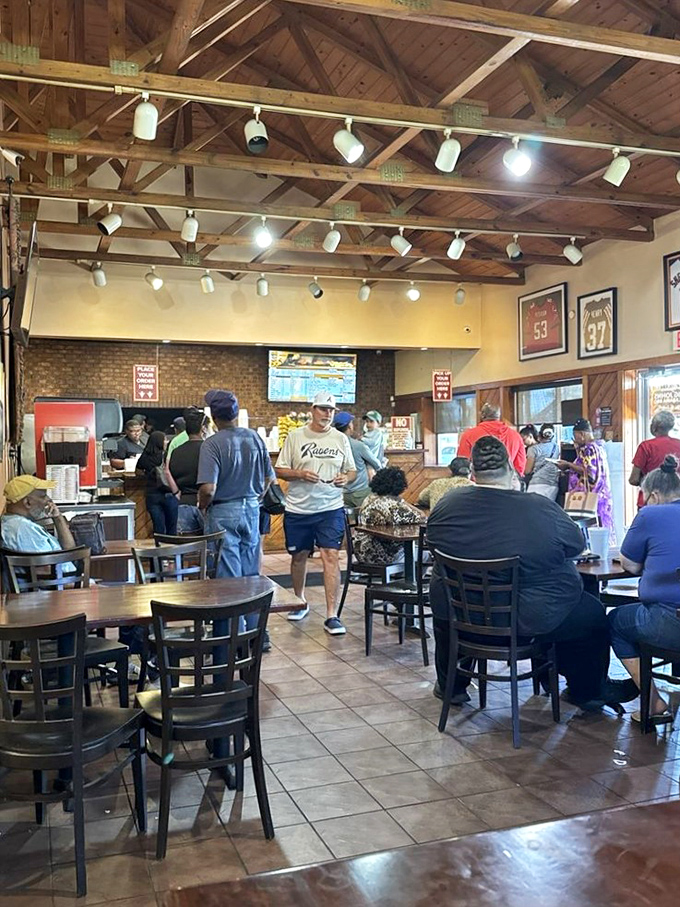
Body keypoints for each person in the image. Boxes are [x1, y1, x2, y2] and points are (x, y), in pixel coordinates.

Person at [426, 436, 637, 711]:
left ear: (473, 474)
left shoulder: (447, 504)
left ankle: (451, 685)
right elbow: (575, 544)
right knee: (592, 613)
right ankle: (588, 690)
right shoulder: (538, 507)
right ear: (513, 471)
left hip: (462, 619)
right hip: (529, 619)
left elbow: (433, 541)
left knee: (442, 588)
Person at [275, 391, 356, 635]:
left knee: (330, 555)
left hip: (330, 507)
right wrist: (300, 474)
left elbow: (351, 471)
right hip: (298, 509)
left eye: (331, 410)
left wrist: (345, 478)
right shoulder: (295, 436)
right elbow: (280, 469)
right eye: (322, 409)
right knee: (299, 556)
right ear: (312, 410)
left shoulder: (341, 439)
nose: (327, 414)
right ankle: (300, 600)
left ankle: (332, 614)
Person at [609, 456, 680, 722]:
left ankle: (653, 702)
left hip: (669, 619)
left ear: (653, 495)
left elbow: (631, 564)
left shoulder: (650, 514)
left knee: (615, 621)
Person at [197, 389, 275, 579]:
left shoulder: (211, 444)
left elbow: (208, 489)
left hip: (223, 511)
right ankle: (252, 608)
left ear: (213, 417)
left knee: (228, 574)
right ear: (236, 413)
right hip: (251, 508)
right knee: (250, 570)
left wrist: (202, 506)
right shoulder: (254, 437)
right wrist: (257, 497)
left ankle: (234, 609)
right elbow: (269, 478)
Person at [558, 417, 615, 542]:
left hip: (588, 499)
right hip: (602, 496)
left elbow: (590, 473)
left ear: (582, 434)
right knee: (601, 534)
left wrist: (568, 464)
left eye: (576, 435)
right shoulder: (599, 447)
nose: (575, 439)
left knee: (588, 533)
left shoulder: (588, 449)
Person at [354, 467, 423, 565]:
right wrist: (402, 501)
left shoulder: (369, 498)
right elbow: (421, 517)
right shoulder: (393, 505)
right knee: (425, 555)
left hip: (362, 552)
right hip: (383, 556)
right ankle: (407, 579)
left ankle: (399, 576)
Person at [1, 475, 76, 555]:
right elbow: (44, 565)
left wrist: (58, 517)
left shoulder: (9, 522)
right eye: (43, 496)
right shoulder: (25, 529)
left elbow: (69, 551)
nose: (49, 500)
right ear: (27, 502)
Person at [168, 408, 208, 534]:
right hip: (206, 504)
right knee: (210, 549)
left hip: (184, 503)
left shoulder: (176, 450)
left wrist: (176, 492)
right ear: (203, 429)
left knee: (186, 549)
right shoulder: (209, 450)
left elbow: (167, 471)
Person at [629, 411, 680, 509]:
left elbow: (633, 479)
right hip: (676, 500)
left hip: (650, 500)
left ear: (655, 426)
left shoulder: (646, 447)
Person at [457, 403, 526, 474]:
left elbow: (462, 464)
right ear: (499, 415)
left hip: (479, 482)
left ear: (482, 415)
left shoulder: (468, 435)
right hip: (507, 481)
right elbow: (520, 466)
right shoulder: (516, 436)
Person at [332, 411, 382, 509]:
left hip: (341, 493)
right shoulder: (359, 445)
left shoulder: (331, 445)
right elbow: (377, 464)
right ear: (350, 426)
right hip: (361, 493)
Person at [137, 431, 179, 535]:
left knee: (158, 529)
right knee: (172, 528)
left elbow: (137, 472)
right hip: (169, 494)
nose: (166, 442)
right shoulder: (167, 456)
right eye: (164, 440)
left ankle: (159, 549)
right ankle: (172, 550)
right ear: (160, 442)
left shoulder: (144, 456)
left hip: (152, 495)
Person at [525, 423, 561, 500]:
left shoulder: (533, 449)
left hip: (537, 484)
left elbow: (527, 471)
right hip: (553, 485)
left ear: (540, 434)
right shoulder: (556, 447)